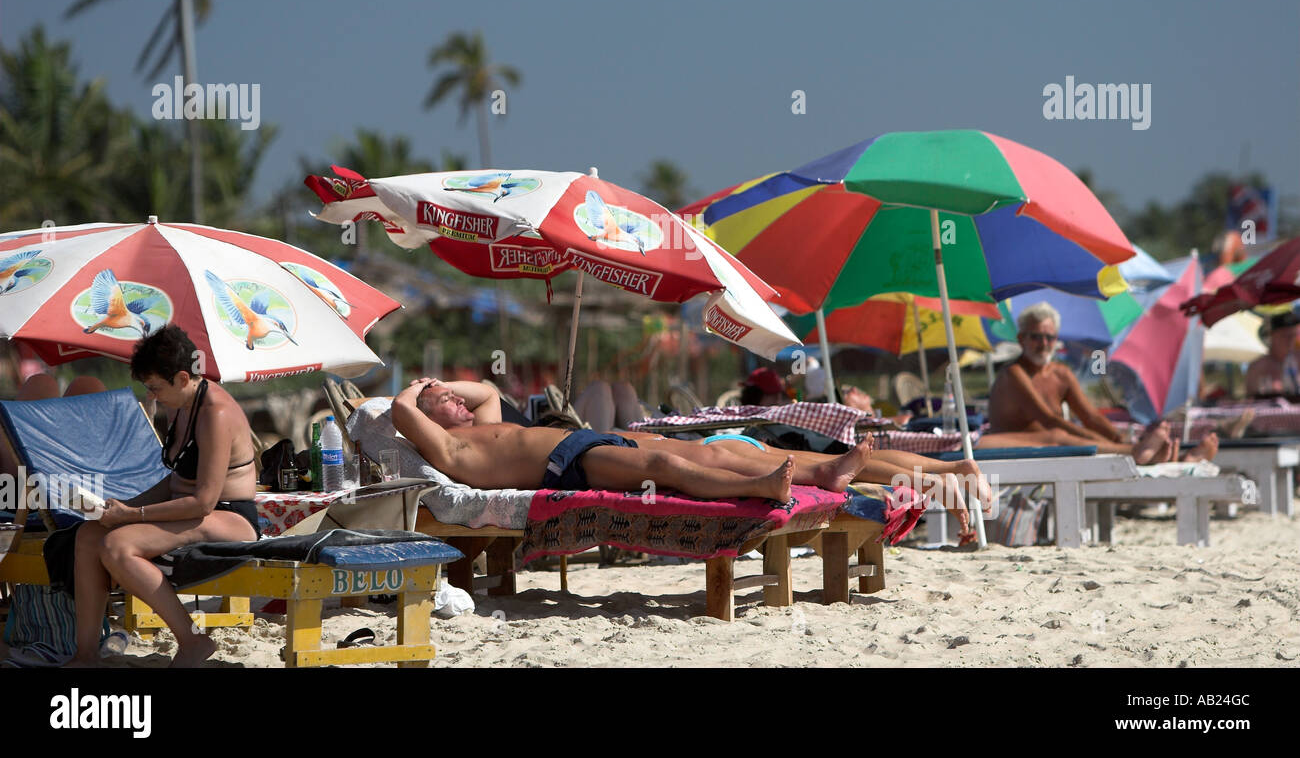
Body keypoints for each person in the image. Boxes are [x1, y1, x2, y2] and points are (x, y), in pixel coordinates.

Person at [389, 376, 993, 544]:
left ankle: (820, 473)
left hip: (592, 443)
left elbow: (487, 392)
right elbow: (395, 410)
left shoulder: (486, 421)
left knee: (695, 451)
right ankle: (762, 486)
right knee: (670, 472)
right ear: (433, 422)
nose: (454, 400)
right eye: (443, 401)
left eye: (451, 395)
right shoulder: (452, 450)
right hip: (566, 467)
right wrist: (416, 391)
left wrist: (443, 386)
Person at [68, 326, 260, 667]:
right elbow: (177, 480)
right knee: (88, 535)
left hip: (229, 516)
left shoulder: (214, 413)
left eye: (156, 387)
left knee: (117, 545)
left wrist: (131, 516)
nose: (152, 396)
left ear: (183, 377)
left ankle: (191, 640)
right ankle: (86, 654)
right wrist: (122, 507)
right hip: (194, 510)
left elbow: (203, 501)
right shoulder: (180, 405)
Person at [985, 302, 1218, 463]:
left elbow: (1091, 417)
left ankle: (1173, 457)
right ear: (1021, 339)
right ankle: (1136, 453)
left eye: (1050, 337)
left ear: (1057, 340)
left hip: (1047, 450)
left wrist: (1117, 438)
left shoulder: (1060, 373)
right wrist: (1118, 445)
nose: (1043, 343)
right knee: (1056, 436)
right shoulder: (1013, 374)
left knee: (1062, 437)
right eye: (1036, 336)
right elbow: (1049, 420)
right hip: (1006, 448)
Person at [1244, 313, 1300, 398]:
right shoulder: (1258, 366)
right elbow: (1251, 401)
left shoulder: (1296, 360)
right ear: (1272, 336)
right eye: (1285, 336)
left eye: (1293, 335)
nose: (1290, 340)